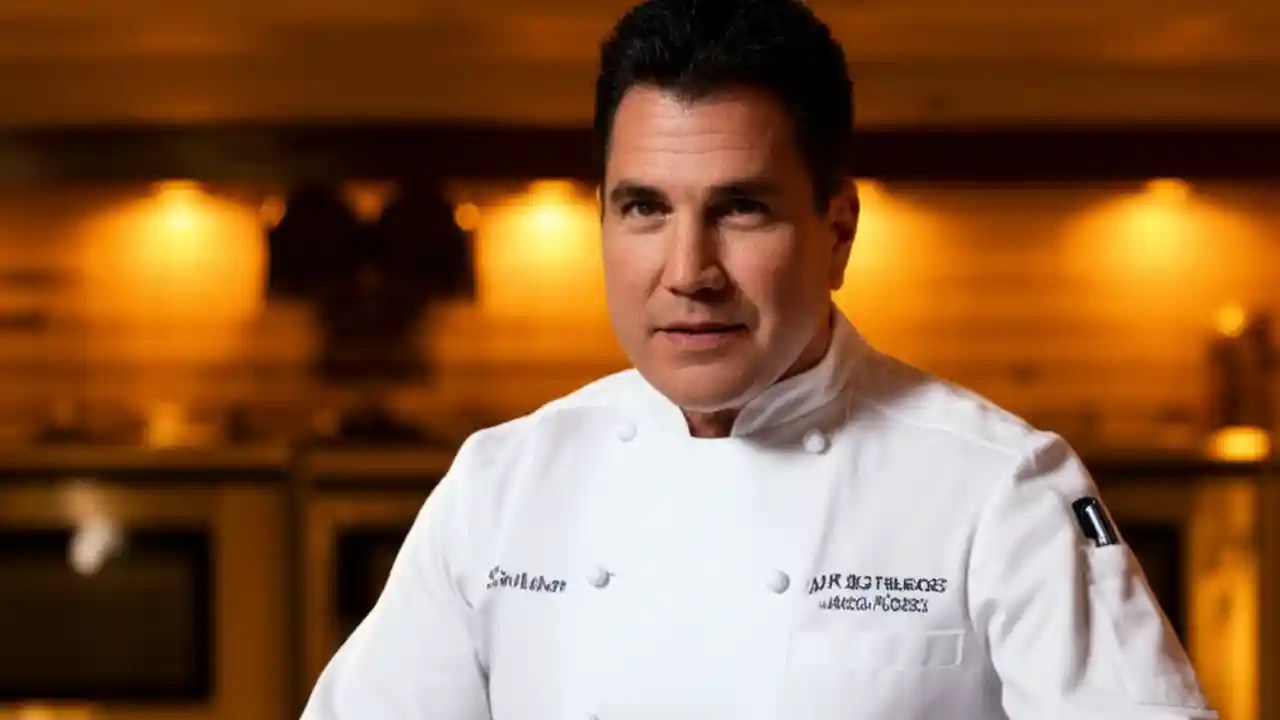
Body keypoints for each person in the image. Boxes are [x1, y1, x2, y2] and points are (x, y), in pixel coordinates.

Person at [301, 0, 1216, 718]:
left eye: (742, 209)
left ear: (838, 230)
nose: (689, 272)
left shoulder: (1000, 487)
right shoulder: (501, 485)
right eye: (645, 208)